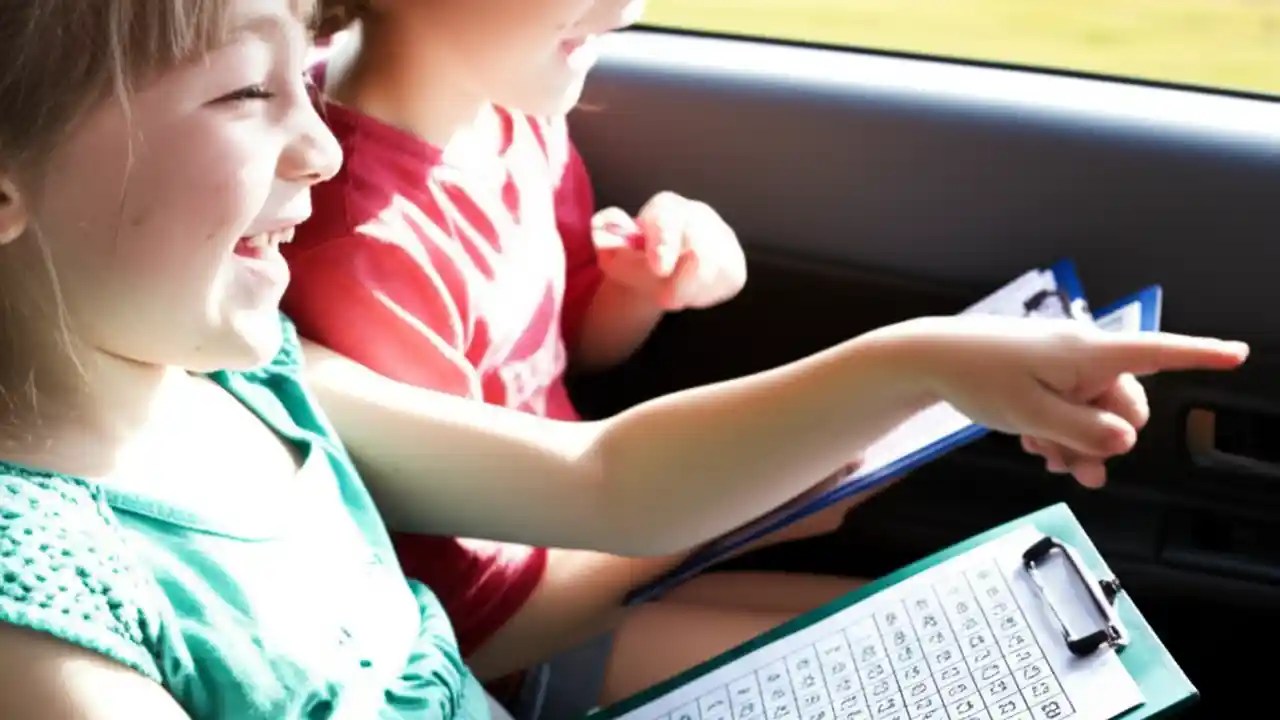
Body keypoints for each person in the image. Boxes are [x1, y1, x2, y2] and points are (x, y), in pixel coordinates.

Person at [0, 0, 1251, 717]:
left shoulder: (256, 380)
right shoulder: (46, 626)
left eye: (300, 87)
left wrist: (915, 363)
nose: (319, 155)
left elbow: (601, 478)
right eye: (241, 101)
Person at [282, 2, 870, 706]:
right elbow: (470, 609)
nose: (628, 7)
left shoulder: (512, 117)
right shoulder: (359, 244)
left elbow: (562, 352)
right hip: (510, 655)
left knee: (891, 614)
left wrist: (637, 289)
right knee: (885, 668)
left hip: (591, 550)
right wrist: (729, 511)